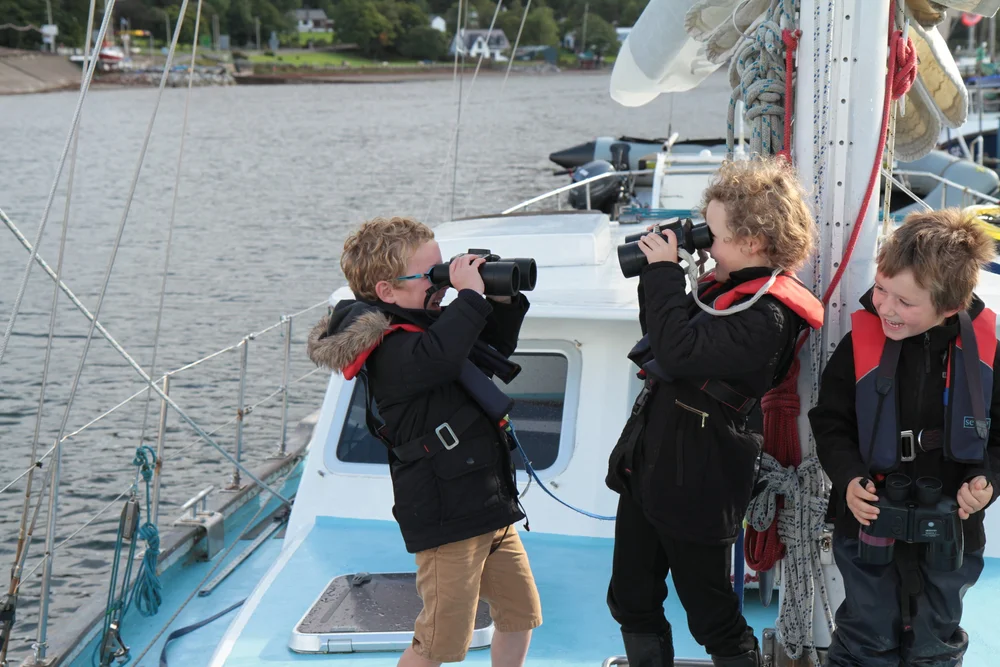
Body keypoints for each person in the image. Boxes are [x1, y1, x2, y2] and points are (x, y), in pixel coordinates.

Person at [604, 157, 824, 667]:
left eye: (715, 235)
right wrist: (659, 274)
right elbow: (661, 337)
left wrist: (664, 271)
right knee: (631, 596)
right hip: (652, 464)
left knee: (710, 613)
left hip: (698, 477)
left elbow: (679, 352)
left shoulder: (767, 313)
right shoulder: (724, 290)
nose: (707, 243)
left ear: (753, 242)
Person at [307, 216, 542, 667]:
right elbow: (437, 360)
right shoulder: (389, 350)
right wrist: (467, 295)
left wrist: (498, 297)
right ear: (387, 291)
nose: (442, 284)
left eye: (444, 270)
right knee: (438, 641)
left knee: (519, 615)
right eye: (430, 276)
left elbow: (491, 349)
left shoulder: (429, 326)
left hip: (489, 505)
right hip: (445, 517)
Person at [810, 209, 1000, 666]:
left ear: (950, 307)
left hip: (952, 525)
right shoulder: (861, 343)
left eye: (905, 302)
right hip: (869, 518)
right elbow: (830, 422)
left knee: (936, 639)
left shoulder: (989, 350)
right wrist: (850, 479)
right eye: (881, 290)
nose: (886, 307)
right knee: (865, 637)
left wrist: (987, 481)